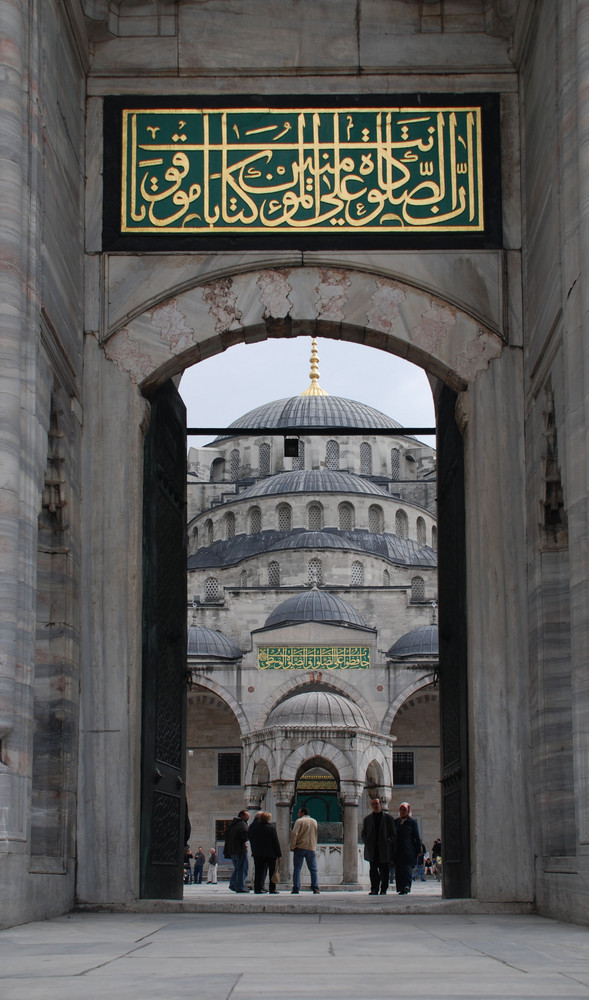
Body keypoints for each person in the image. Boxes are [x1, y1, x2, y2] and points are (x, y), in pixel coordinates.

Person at [360, 796, 397, 895]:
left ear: (380, 804)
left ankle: (383, 889)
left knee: (384, 871)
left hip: (384, 849)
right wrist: (367, 841)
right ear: (371, 806)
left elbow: (393, 834)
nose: (375, 806)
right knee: (373, 870)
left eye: (377, 803)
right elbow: (364, 833)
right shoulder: (367, 819)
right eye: (373, 804)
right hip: (373, 849)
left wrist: (388, 841)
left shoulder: (388, 818)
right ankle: (374, 888)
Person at [248, 810, 282, 894]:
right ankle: (272, 889)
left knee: (258, 871)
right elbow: (275, 842)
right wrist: (279, 854)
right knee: (272, 872)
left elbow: (252, 839)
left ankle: (257, 889)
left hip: (258, 853)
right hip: (270, 853)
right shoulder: (271, 828)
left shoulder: (254, 828)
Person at [289, 806, 320, 894]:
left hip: (300, 847)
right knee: (313, 869)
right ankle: (315, 887)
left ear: (302, 813)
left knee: (297, 868)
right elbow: (316, 834)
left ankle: (296, 888)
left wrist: (293, 845)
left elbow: (294, 833)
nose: (298, 814)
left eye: (299, 812)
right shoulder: (314, 821)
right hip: (311, 847)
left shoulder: (299, 821)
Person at [394, 802, 422, 895]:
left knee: (407, 868)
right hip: (398, 850)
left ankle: (407, 886)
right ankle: (401, 888)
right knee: (399, 869)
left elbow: (416, 837)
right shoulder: (396, 822)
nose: (402, 812)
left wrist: (419, 850)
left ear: (408, 811)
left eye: (404, 810)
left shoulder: (412, 822)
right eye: (401, 810)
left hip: (408, 850)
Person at [224, 809, 250, 892]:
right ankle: (240, 887)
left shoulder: (232, 824)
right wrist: (245, 841)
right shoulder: (242, 824)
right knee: (242, 868)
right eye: (247, 815)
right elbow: (245, 834)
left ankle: (233, 883)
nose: (248, 817)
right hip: (240, 850)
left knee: (237, 868)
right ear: (242, 816)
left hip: (233, 850)